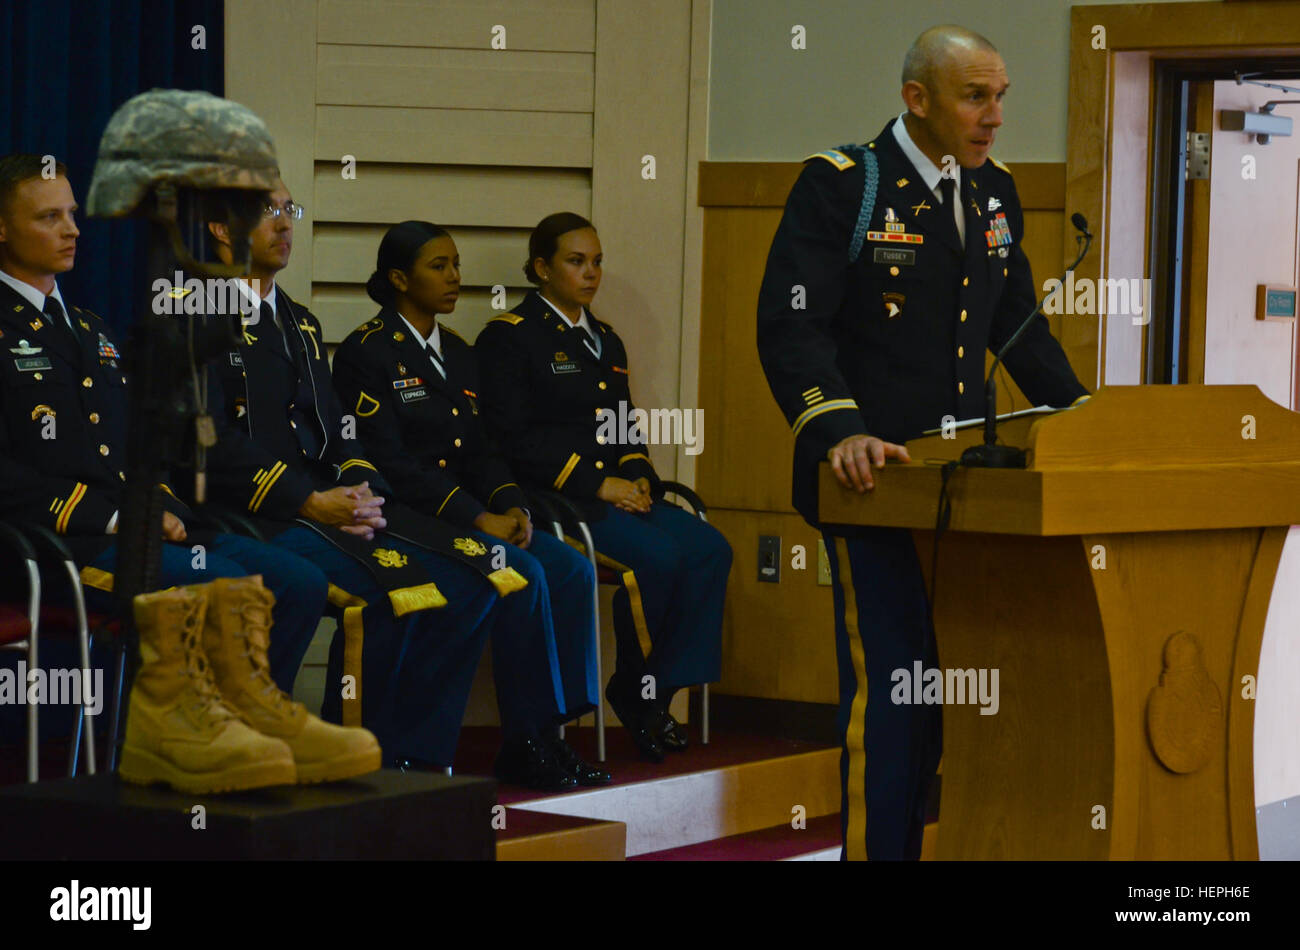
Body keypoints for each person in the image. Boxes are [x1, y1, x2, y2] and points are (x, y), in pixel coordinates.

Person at [756, 26, 1090, 860]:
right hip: (876, 486)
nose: (995, 116)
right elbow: (792, 325)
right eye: (977, 96)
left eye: (1002, 95)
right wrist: (839, 428)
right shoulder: (846, 186)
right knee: (894, 707)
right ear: (918, 99)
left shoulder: (993, 192)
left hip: (970, 493)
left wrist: (1087, 418)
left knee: (956, 703)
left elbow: (1015, 328)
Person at [199, 180, 576, 788]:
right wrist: (310, 499)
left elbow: (341, 429)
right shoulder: (193, 316)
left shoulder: (299, 323)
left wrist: (361, 489)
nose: (283, 223)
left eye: (287, 210)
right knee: (399, 592)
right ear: (219, 228)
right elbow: (207, 443)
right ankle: (350, 756)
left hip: (328, 508)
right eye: (264, 212)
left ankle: (415, 758)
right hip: (255, 515)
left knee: (472, 582)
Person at [0, 153, 327, 695]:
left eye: (73, 214)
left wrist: (159, 507)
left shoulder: (90, 329)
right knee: (225, 591)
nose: (72, 230)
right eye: (49, 218)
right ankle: (181, 753)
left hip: (139, 527)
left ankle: (254, 728)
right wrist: (114, 518)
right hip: (57, 543)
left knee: (299, 582)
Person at [331, 220, 609, 786]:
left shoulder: (458, 353)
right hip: (409, 515)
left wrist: (511, 507)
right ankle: (521, 741)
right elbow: (391, 463)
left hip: (474, 513)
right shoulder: (368, 352)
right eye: (440, 267)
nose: (456, 277)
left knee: (571, 569)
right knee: (523, 574)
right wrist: (477, 515)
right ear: (399, 278)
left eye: (457, 264)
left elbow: (483, 450)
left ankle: (547, 733)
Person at [475, 212, 733, 762]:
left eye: (596, 262)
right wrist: (602, 483)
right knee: (659, 560)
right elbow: (510, 439)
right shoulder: (509, 337)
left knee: (711, 549)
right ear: (542, 268)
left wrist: (639, 473)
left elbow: (623, 424)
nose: (590, 273)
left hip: (616, 491)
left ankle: (652, 690)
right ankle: (636, 691)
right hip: (560, 499)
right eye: (576, 261)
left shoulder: (606, 340)